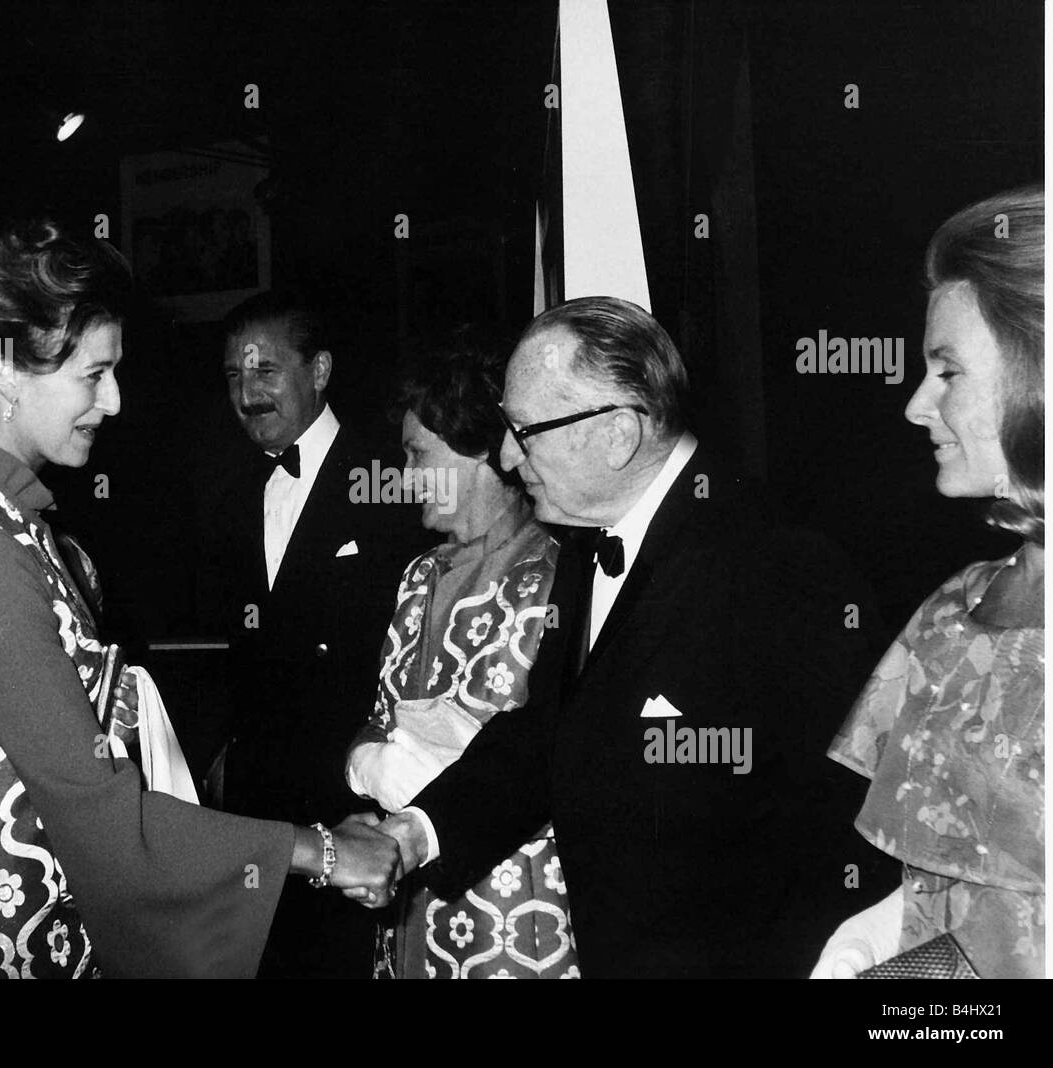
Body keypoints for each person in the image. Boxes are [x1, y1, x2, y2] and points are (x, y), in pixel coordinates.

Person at [0, 219, 399, 979]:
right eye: (94, 375)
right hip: (7, 946)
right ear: (8, 374)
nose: (114, 401)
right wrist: (323, 851)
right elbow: (110, 829)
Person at [364, 296, 882, 978]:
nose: (509, 458)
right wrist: (413, 833)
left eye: (524, 431)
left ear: (618, 433)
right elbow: (545, 734)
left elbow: (843, 828)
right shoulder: (587, 547)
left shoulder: (777, 564)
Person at [814, 186, 1044, 980]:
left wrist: (912, 1004)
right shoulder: (955, 609)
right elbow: (952, 897)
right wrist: (869, 948)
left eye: (948, 372)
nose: (917, 405)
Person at [346, 326, 580, 979]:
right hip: (412, 890)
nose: (404, 476)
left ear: (476, 448)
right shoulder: (419, 576)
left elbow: (534, 752)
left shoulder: (554, 574)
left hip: (516, 896)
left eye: (418, 455)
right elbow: (381, 713)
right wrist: (366, 762)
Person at [211, 290, 430, 977]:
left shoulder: (395, 477)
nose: (247, 394)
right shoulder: (225, 488)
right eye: (234, 377)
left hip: (356, 812)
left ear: (321, 370)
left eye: (265, 371)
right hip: (257, 816)